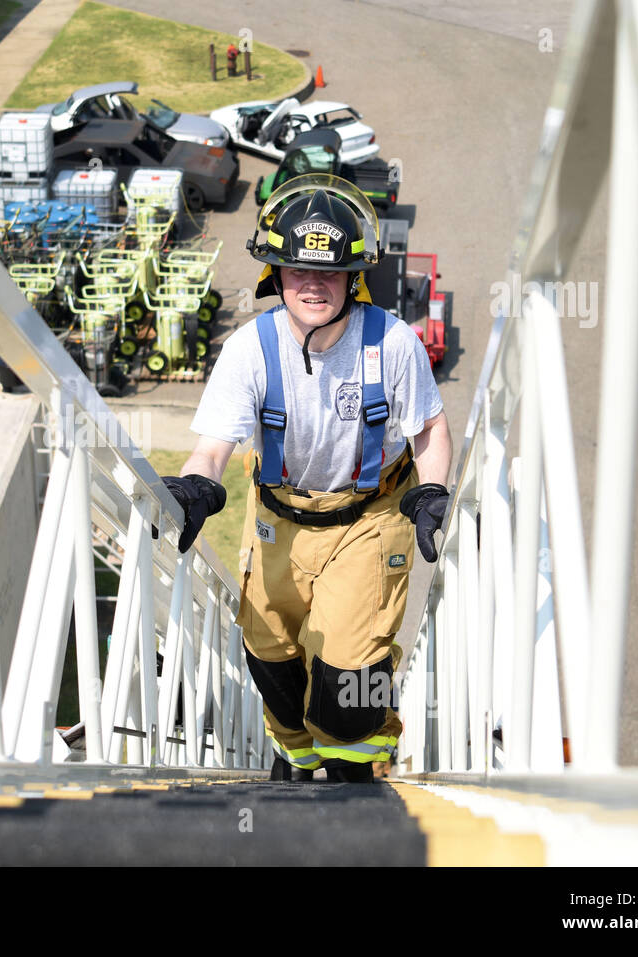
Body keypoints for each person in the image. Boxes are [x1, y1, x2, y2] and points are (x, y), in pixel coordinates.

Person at [161, 176, 452, 783]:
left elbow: (429, 430)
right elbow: (213, 448)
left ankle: (356, 761)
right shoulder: (250, 350)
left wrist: (431, 489)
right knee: (270, 656)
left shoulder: (393, 344)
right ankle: (295, 751)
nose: (313, 285)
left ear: (354, 277)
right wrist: (195, 485)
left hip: (369, 518)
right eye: (297, 271)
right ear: (275, 275)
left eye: (328, 273)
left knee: (351, 679)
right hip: (279, 518)